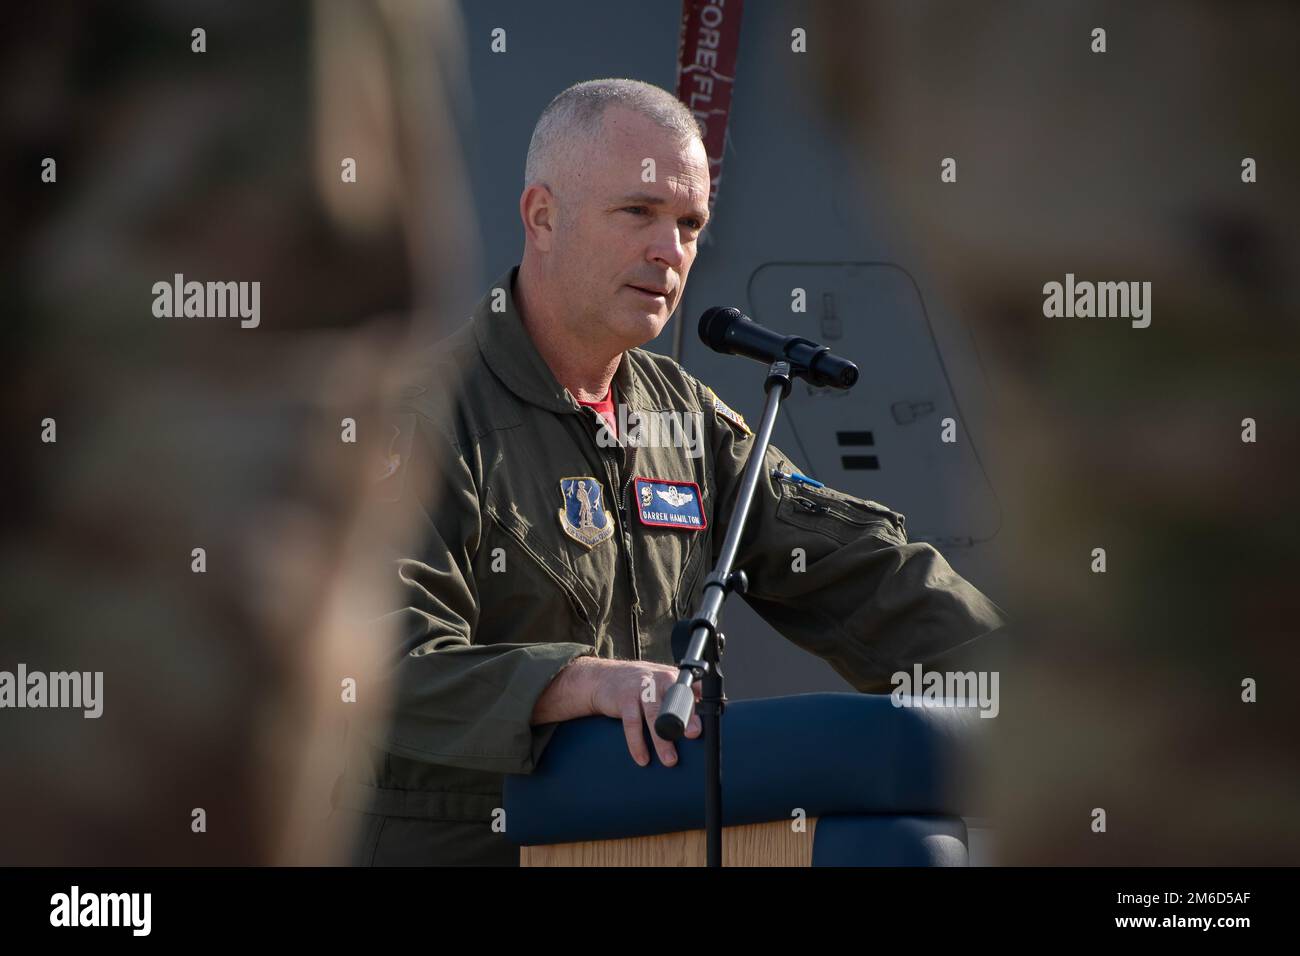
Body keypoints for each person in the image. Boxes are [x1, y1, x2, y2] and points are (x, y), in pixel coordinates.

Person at [333, 78, 1008, 866]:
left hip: (633, 818)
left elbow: (861, 571)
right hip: (464, 834)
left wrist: (1026, 683)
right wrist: (576, 683)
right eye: (639, 214)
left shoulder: (681, 419)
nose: (672, 252)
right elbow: (371, 669)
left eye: (690, 225)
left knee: (906, 843)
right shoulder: (419, 418)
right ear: (542, 216)